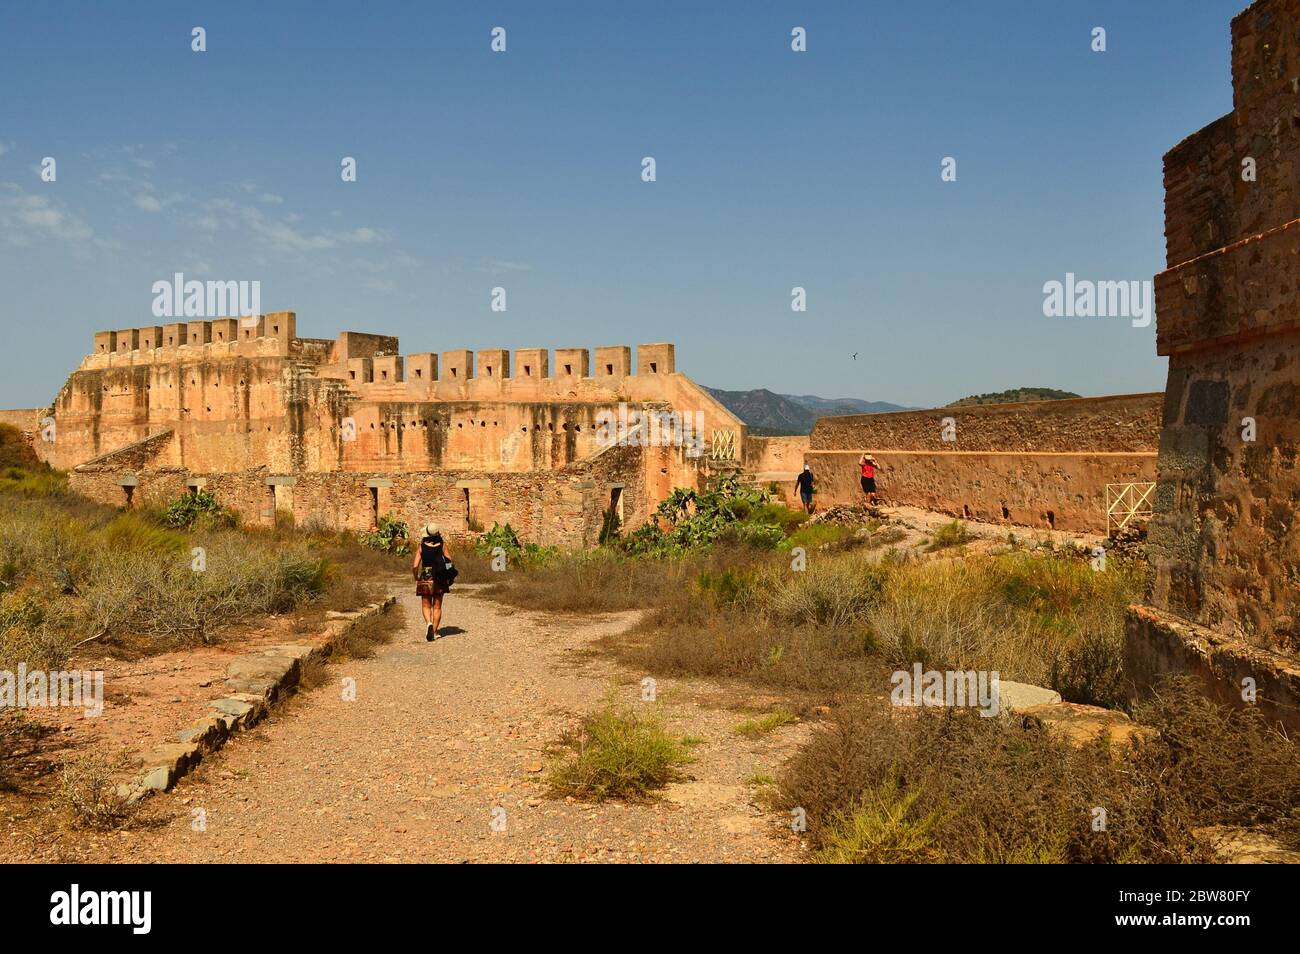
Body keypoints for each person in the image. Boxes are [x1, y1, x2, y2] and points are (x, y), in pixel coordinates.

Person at [412, 522, 453, 641]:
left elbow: (415, 566)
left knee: (426, 604)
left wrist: (416, 577)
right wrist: (449, 577)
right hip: (440, 577)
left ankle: (429, 623)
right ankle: (434, 632)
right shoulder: (442, 546)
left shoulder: (421, 547)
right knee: (437, 606)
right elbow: (449, 561)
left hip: (426, 576)